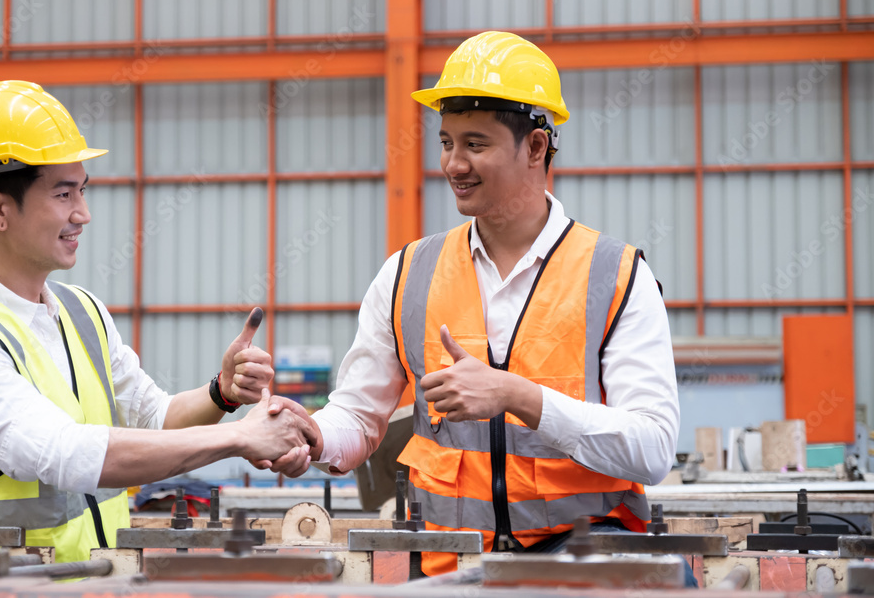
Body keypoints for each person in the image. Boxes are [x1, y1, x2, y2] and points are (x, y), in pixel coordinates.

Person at [262, 31, 681, 577]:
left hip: (581, 560)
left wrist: (518, 396)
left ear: (536, 148)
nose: (453, 164)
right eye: (446, 142)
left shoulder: (616, 276)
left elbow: (652, 448)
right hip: (448, 564)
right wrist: (314, 435)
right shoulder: (408, 274)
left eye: (475, 144)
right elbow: (358, 416)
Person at [0, 80, 314, 564]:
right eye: (63, 194)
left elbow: (153, 419)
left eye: (82, 190)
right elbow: (63, 453)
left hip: (101, 584)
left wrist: (221, 393)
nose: (83, 213)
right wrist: (240, 437)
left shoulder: (82, 311)